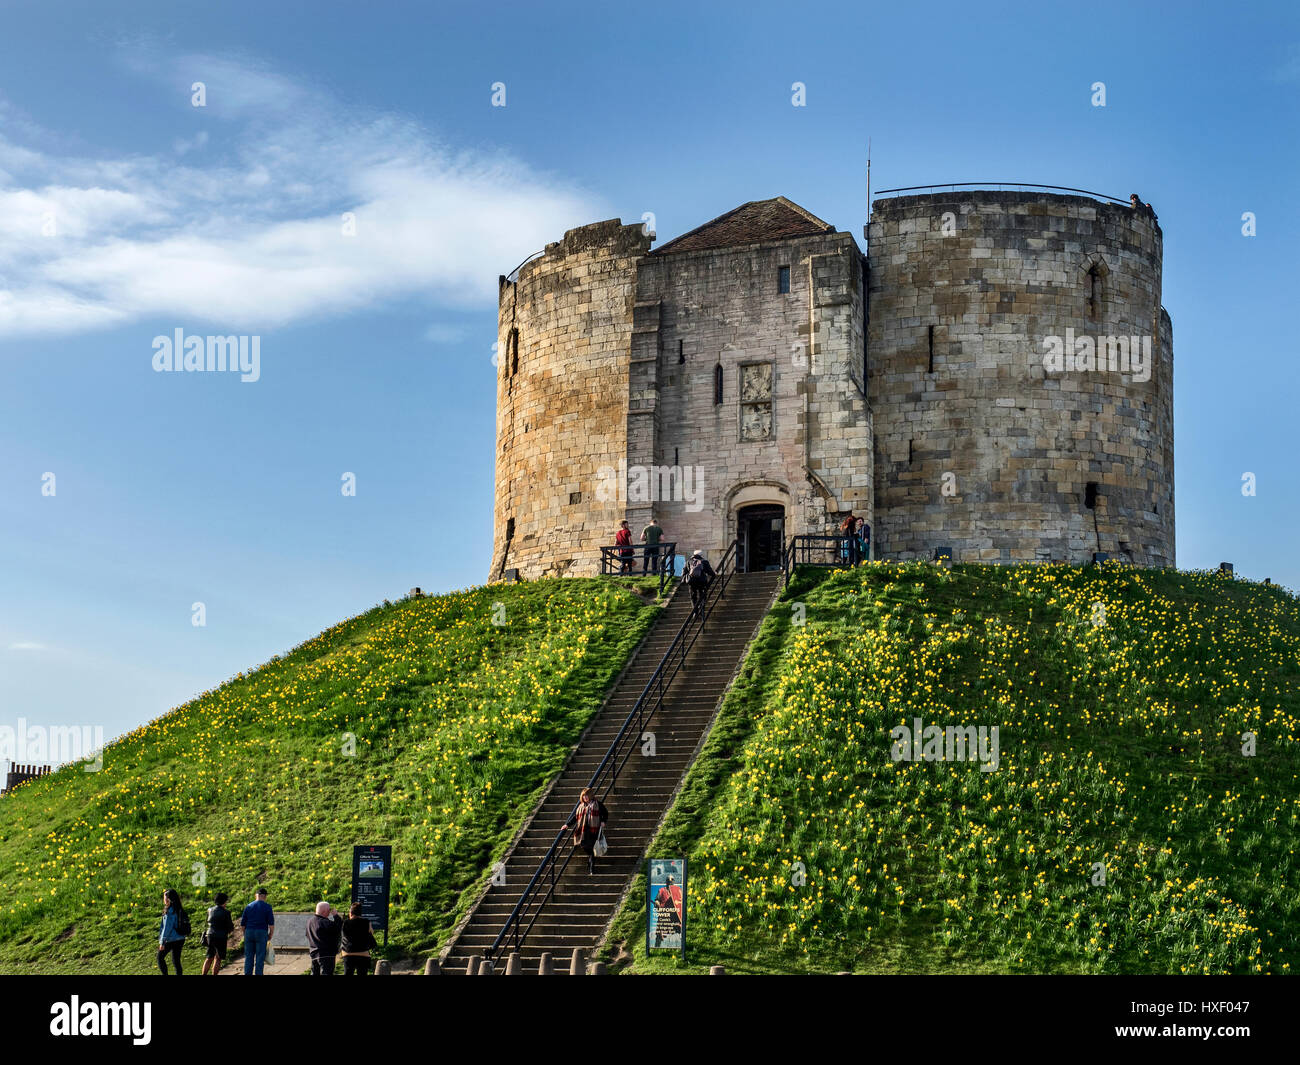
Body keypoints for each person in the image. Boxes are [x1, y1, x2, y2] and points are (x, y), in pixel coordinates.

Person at [563, 787, 608, 875]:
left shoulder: (597, 804)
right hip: (583, 830)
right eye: (583, 796)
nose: (585, 797)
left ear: (590, 795)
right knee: (585, 846)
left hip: (593, 830)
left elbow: (605, 813)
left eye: (586, 795)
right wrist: (567, 825)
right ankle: (590, 861)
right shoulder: (580, 806)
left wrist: (603, 821)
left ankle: (591, 868)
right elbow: (575, 817)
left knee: (592, 847)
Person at [239, 886, 276, 976]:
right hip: (261, 933)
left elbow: (243, 924)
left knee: (249, 957)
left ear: (256, 895)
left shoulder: (248, 906)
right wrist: (270, 934)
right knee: (260, 957)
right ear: (265, 896)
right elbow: (271, 924)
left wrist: (245, 934)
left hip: (249, 932)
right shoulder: (267, 907)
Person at [306, 901, 344, 975]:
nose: (329, 912)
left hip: (314, 954)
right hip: (326, 955)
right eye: (329, 910)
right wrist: (336, 915)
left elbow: (307, 935)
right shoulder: (325, 922)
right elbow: (338, 928)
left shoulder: (309, 922)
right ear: (324, 911)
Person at [201, 891, 235, 975]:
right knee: (218, 958)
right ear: (224, 901)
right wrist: (229, 930)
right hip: (221, 937)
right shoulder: (226, 912)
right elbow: (230, 927)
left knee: (209, 957)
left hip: (210, 935)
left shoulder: (209, 910)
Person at [340, 901, 378, 976]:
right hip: (363, 953)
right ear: (360, 913)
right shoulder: (367, 922)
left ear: (350, 913)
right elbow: (371, 932)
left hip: (348, 953)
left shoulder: (345, 922)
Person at [157, 888, 188, 975]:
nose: (163, 899)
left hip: (171, 939)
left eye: (164, 897)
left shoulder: (170, 911)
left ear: (168, 899)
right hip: (181, 938)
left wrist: (162, 942)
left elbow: (167, 928)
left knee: (160, 958)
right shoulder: (179, 908)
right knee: (176, 961)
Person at [685, 550, 715, 618]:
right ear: (701, 555)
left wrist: (685, 580)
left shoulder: (689, 561)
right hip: (702, 581)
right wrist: (714, 574)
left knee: (693, 597)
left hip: (692, 582)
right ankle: (701, 610)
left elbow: (685, 572)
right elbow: (710, 572)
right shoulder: (704, 561)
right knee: (703, 596)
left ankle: (695, 612)